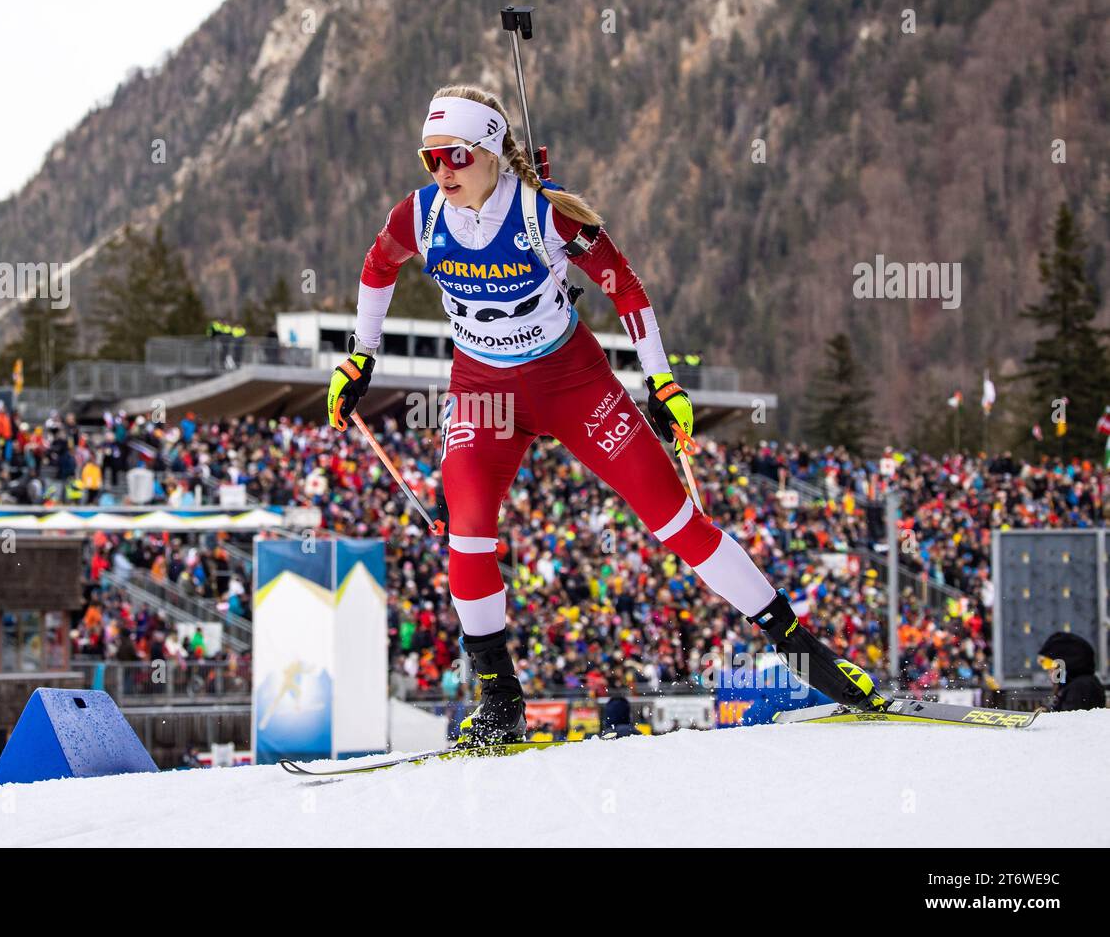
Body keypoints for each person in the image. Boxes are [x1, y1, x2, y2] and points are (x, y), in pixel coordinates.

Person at [327, 84, 889, 746]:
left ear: (489, 154)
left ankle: (804, 652)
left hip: (570, 381)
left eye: (455, 156)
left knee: (675, 519)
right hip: (484, 390)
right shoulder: (418, 217)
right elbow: (377, 266)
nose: (443, 171)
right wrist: (360, 358)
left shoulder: (544, 215)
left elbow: (625, 285)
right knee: (468, 530)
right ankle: (500, 703)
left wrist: (664, 381)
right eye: (431, 160)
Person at [1037, 632, 1106, 712]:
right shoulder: (1072, 685)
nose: (1047, 669)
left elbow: (1070, 721)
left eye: (1049, 663)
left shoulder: (1081, 687)